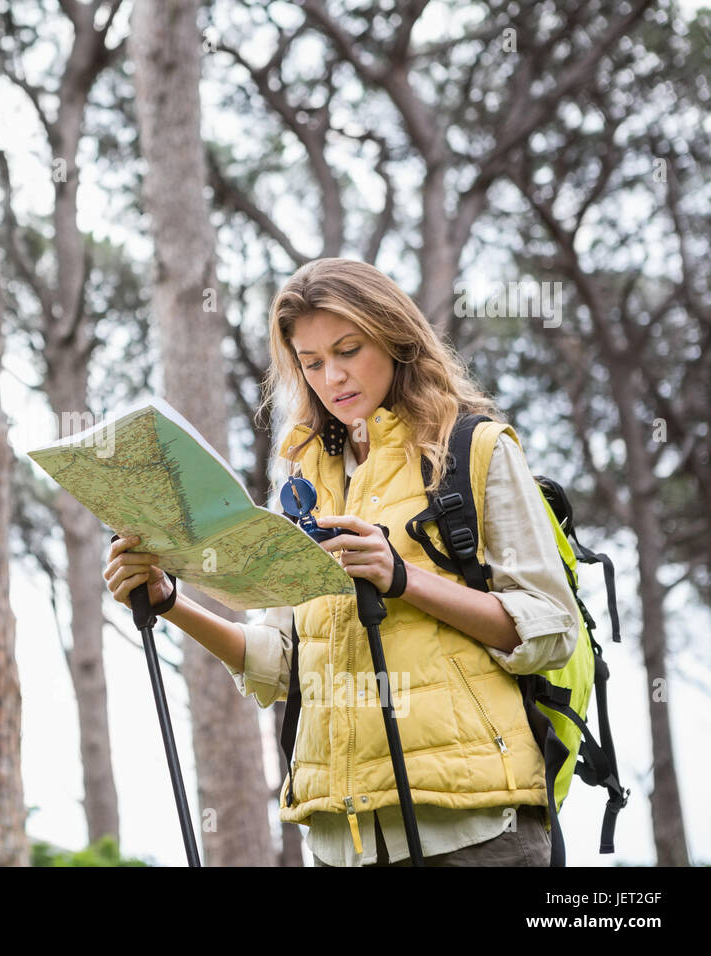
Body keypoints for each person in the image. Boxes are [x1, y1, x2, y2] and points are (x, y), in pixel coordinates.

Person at [102, 257, 578, 866]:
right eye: (311, 362)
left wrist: (400, 577)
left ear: (395, 337)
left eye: (349, 350)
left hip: (471, 829)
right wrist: (170, 602)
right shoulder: (302, 480)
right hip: (339, 838)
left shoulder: (476, 449)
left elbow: (549, 629)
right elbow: (279, 666)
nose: (333, 377)